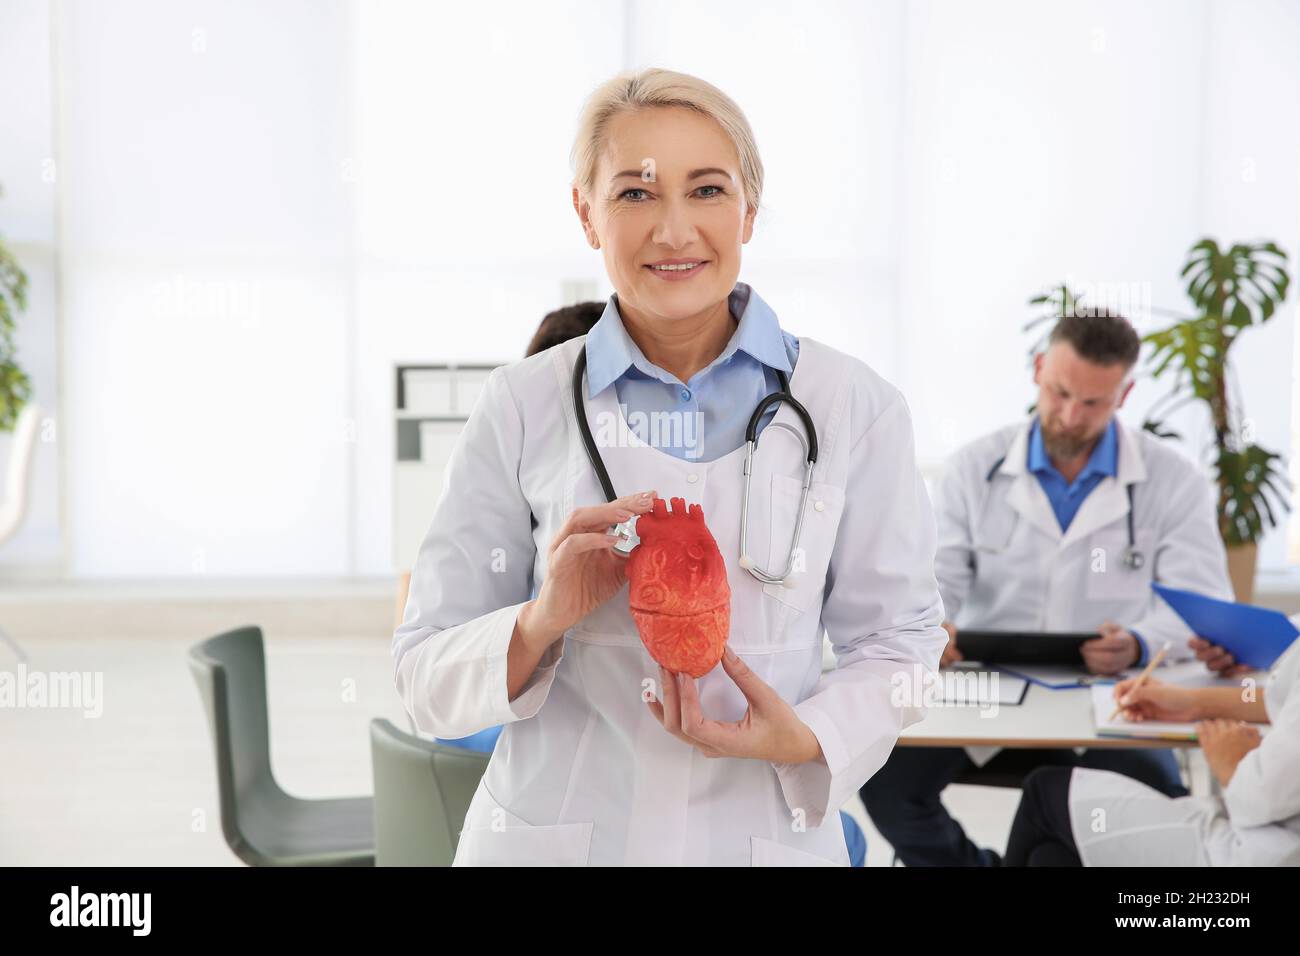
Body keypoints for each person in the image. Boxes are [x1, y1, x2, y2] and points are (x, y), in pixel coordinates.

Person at [392, 67, 946, 866]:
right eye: (635, 194)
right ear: (586, 212)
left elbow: (903, 647)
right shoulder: (521, 404)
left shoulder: (854, 407)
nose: (675, 231)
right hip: (557, 839)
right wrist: (544, 616)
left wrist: (809, 735)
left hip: (762, 838)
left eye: (708, 190)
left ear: (750, 209)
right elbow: (423, 674)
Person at [861, 308, 1235, 866]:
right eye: (1060, 392)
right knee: (884, 783)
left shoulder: (1172, 480)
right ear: (1039, 368)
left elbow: (1202, 603)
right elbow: (938, 578)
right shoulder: (973, 468)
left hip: (1109, 693)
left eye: (1093, 404)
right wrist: (932, 627)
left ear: (1124, 394)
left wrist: (1136, 640)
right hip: (986, 685)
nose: (1070, 416)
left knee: (1159, 805)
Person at [1005, 631, 1300, 866]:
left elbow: (1264, 794)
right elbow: (1278, 698)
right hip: (1267, 831)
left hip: (1266, 849)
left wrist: (1234, 761)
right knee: (1049, 858)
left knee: (1044, 793)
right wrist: (1195, 701)